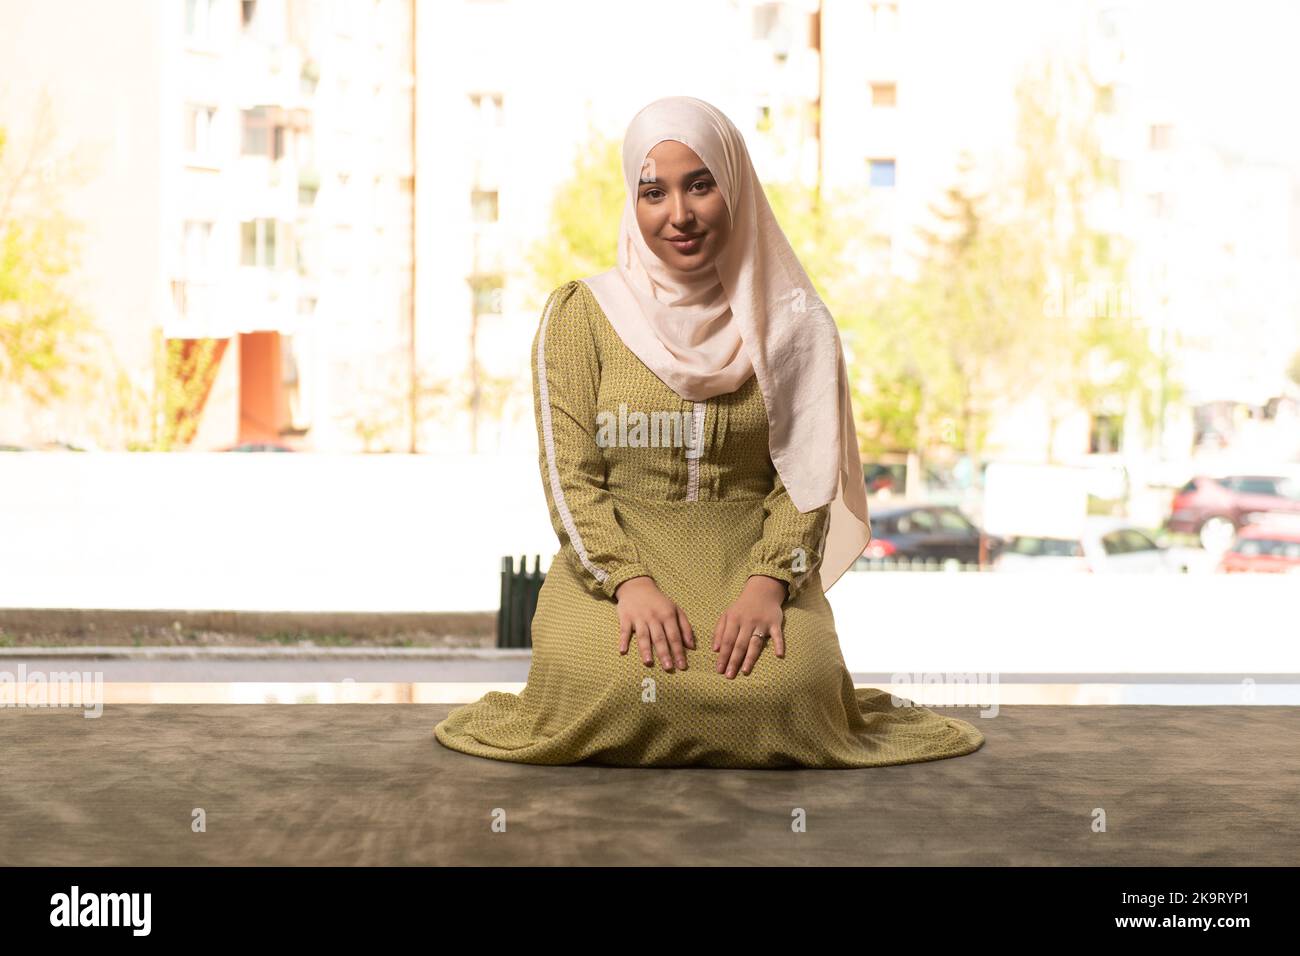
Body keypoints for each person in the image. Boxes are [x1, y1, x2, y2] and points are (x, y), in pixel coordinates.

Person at [434, 96, 985, 768]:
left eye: (701, 184)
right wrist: (628, 582)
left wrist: (767, 584)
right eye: (653, 191)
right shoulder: (581, 314)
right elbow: (568, 477)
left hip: (749, 559)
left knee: (788, 691)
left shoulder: (795, 324)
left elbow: (806, 479)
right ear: (631, 202)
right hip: (608, 566)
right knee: (607, 687)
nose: (679, 214)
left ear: (736, 187)